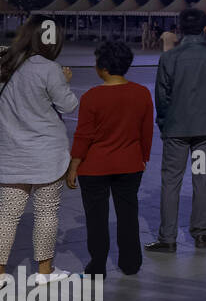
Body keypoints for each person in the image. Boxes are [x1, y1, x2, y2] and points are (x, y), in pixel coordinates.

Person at [146, 8, 206, 253]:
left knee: (171, 182)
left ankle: (167, 238)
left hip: (177, 130)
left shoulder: (169, 58)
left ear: (180, 29)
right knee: (202, 179)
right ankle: (200, 232)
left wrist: (165, 123)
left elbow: (162, 97)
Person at [0, 16, 80, 281]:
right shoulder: (50, 69)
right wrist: (64, 79)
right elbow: (68, 105)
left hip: (12, 153)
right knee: (47, 211)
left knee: (7, 216)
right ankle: (44, 272)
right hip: (48, 155)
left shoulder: (7, 65)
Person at [65, 40, 152, 276]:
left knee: (96, 218)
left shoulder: (92, 97)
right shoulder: (142, 93)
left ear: (101, 67)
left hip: (94, 167)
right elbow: (146, 131)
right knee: (128, 215)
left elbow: (83, 135)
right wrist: (143, 157)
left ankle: (98, 265)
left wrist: (74, 164)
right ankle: (131, 262)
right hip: (130, 164)